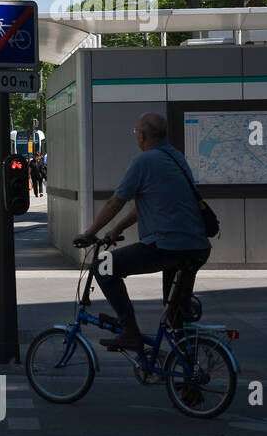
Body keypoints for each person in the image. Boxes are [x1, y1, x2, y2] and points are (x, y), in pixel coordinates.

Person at [73, 113, 210, 352]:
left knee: (103, 267)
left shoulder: (143, 161)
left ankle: (130, 331)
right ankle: (188, 379)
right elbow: (147, 205)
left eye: (136, 132)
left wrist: (89, 233)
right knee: (175, 317)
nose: (136, 136)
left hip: (167, 245)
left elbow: (115, 202)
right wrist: (117, 228)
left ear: (143, 136)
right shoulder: (176, 157)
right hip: (196, 246)